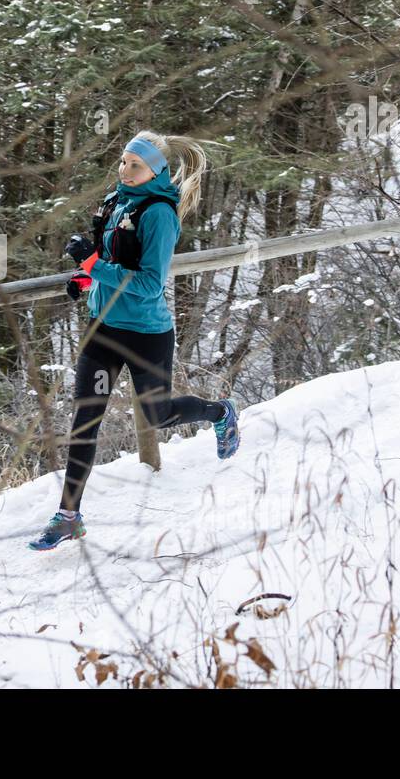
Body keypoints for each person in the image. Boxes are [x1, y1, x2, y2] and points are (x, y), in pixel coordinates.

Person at [28, 131, 241, 551]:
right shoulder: (115, 201)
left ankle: (220, 412)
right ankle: (68, 516)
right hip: (103, 329)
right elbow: (113, 259)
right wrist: (85, 278)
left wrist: (91, 261)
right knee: (85, 421)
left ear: (156, 171)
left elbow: (147, 283)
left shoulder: (161, 214)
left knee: (157, 415)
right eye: (123, 161)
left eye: (135, 165)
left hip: (145, 334)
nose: (125, 170)